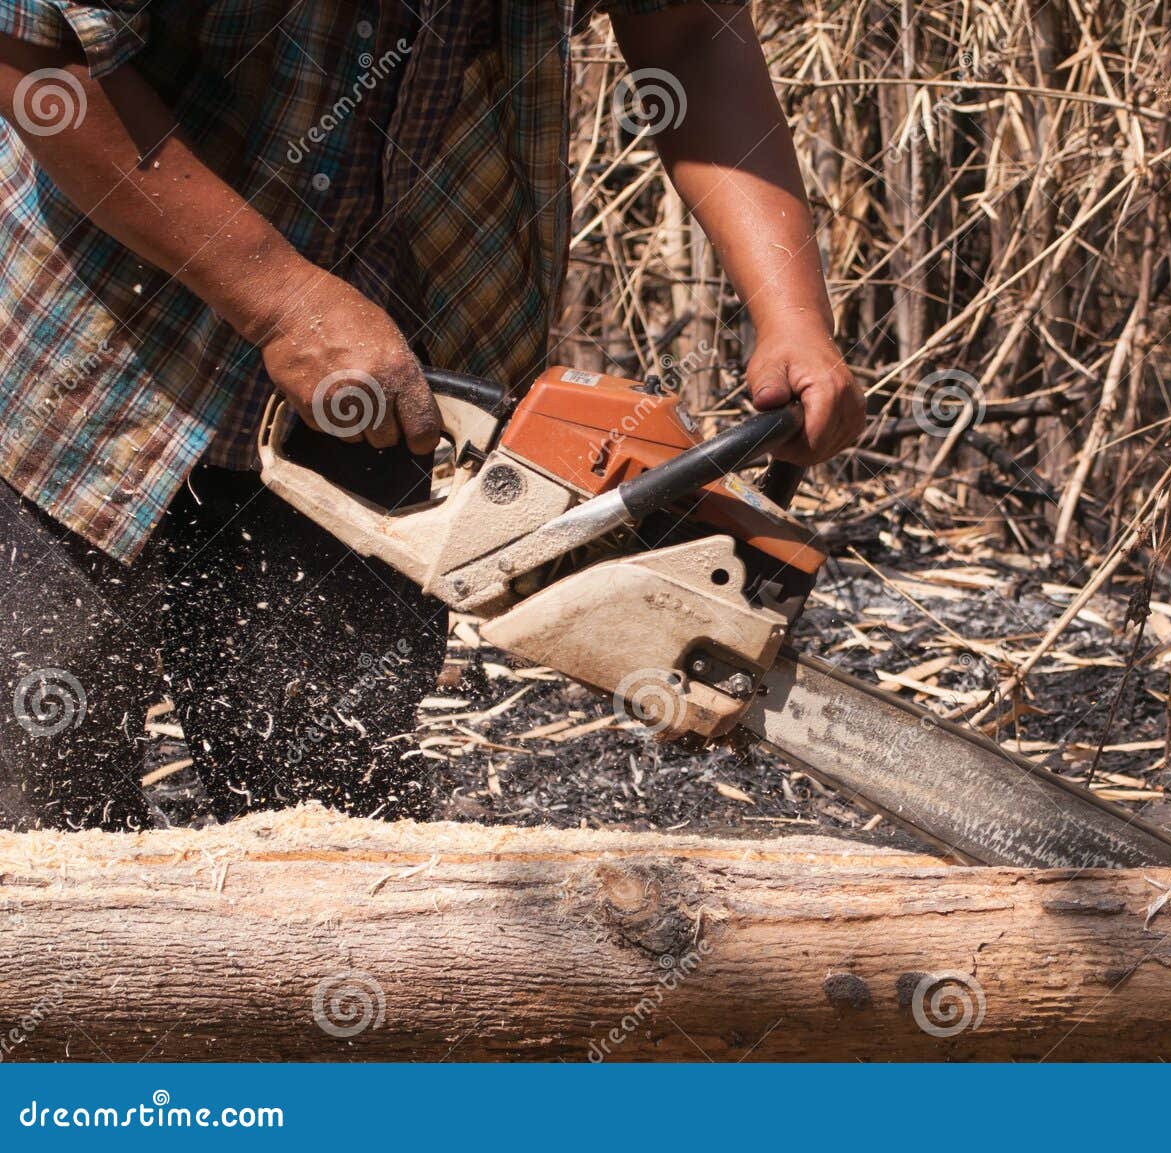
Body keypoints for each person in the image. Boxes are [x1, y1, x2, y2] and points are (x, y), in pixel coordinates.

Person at [0, 1, 864, 830]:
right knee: (40, 796)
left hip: (403, 387)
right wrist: (280, 301)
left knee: (327, 809)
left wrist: (792, 313)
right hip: (92, 357)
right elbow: (35, 46)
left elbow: (688, 34)